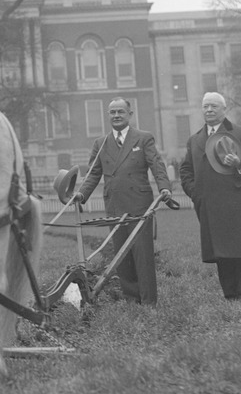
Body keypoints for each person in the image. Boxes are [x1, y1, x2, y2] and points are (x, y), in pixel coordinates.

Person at [72, 97, 172, 305]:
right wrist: (81, 194)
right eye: (112, 112)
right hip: (115, 206)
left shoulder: (143, 138)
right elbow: (92, 174)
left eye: (120, 112)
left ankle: (148, 302)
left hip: (139, 206)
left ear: (130, 115)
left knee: (142, 255)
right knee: (122, 257)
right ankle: (131, 300)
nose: (116, 116)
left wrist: (164, 187)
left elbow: (156, 164)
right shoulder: (101, 144)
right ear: (108, 115)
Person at [179, 91, 241, 301]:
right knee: (220, 251)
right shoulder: (195, 140)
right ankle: (230, 295)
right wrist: (196, 194)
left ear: (224, 109)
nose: (209, 110)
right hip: (210, 205)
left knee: (240, 249)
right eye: (205, 106)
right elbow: (186, 171)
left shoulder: (240, 133)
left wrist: (239, 164)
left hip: (236, 203)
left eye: (214, 106)